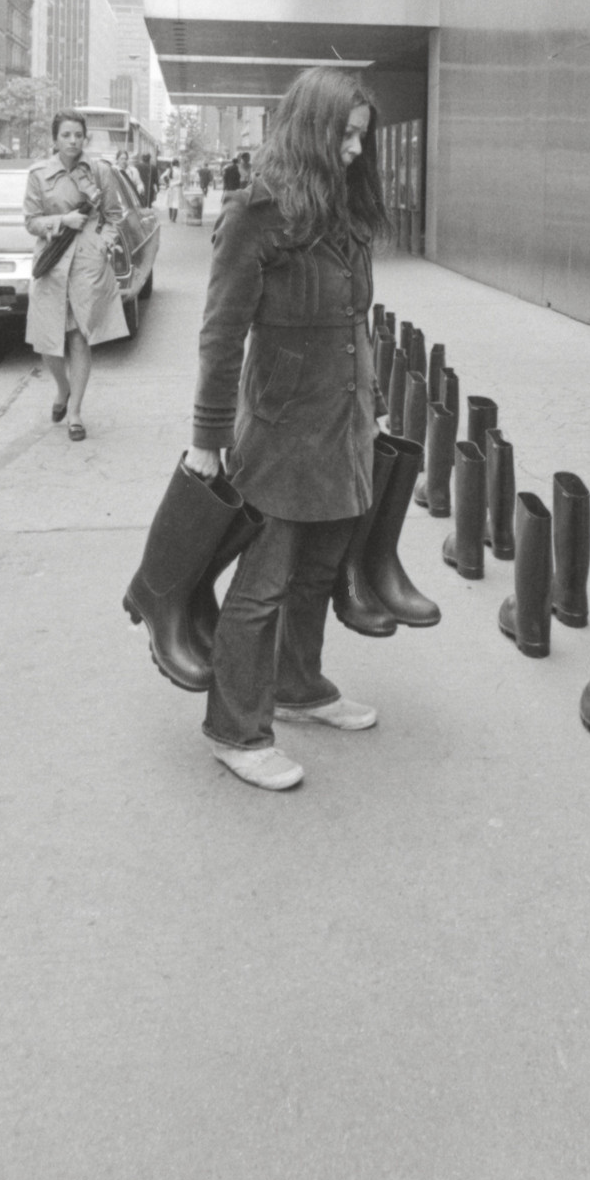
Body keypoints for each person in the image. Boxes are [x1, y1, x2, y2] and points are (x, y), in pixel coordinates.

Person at [186, 67, 387, 791]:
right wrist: (207, 439)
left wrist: (374, 401)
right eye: (347, 136)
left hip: (344, 425)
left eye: (364, 137)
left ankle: (299, 687)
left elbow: (355, 323)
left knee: (319, 571)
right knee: (264, 582)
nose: (358, 151)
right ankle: (235, 729)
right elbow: (220, 335)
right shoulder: (256, 214)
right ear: (311, 132)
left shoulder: (345, 213)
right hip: (279, 431)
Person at [24, 110, 129, 441]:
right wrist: (60, 221)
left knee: (79, 337)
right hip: (52, 264)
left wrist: (102, 245)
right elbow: (30, 221)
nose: (72, 141)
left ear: (85, 137)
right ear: (55, 139)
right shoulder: (39, 174)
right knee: (46, 340)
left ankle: (76, 412)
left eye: (78, 135)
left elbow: (114, 216)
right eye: (66, 135)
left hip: (86, 264)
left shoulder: (99, 171)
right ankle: (62, 388)